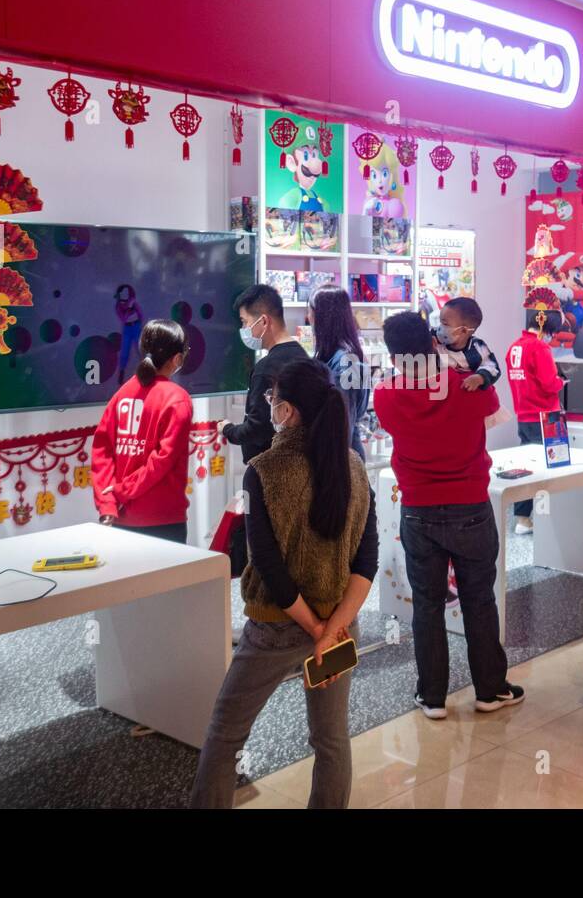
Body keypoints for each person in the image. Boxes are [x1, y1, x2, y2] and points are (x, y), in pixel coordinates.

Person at [190, 360, 376, 808]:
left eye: (272, 400)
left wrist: (315, 628)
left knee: (225, 734)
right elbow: (365, 562)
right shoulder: (353, 465)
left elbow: (269, 568)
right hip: (340, 625)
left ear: (288, 411)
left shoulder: (264, 470)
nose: (269, 406)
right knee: (331, 741)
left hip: (276, 627)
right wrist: (330, 630)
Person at [373, 311, 522, 720]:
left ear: (392, 355)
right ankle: (490, 690)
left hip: (418, 510)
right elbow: (490, 415)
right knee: (478, 600)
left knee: (427, 604)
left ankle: (433, 696)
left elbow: (395, 429)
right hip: (470, 505)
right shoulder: (468, 384)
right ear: (433, 341)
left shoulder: (385, 393)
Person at [218, 285, 311, 574]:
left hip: (267, 473)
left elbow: (257, 429)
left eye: (246, 323)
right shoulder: (305, 359)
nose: (245, 330)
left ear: (264, 321)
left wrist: (228, 430)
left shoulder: (267, 368)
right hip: (303, 467)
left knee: (263, 554)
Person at [91, 320, 193, 543]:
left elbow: (101, 451)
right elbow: (162, 461)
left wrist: (108, 502)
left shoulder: (123, 392)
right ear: (177, 358)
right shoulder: (177, 398)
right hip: (163, 521)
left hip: (120, 518)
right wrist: (121, 491)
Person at [504, 307, 565, 535]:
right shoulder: (539, 347)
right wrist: (561, 382)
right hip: (546, 414)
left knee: (527, 466)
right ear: (547, 329)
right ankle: (547, 521)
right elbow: (549, 383)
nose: (553, 336)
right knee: (549, 469)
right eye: (553, 332)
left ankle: (522, 519)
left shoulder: (514, 347)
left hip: (524, 414)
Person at [309, 284, 370, 458]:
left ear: (321, 316)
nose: (308, 317)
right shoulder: (333, 356)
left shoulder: (347, 362)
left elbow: (343, 422)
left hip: (342, 457)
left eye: (311, 312)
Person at [434, 296, 501, 392]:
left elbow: (493, 367)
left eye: (445, 324)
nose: (440, 328)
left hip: (462, 394)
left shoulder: (477, 347)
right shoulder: (435, 338)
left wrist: (479, 378)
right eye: (440, 322)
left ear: (464, 331)